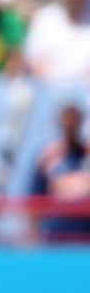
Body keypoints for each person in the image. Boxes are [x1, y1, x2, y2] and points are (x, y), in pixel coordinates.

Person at [29, 103, 90, 243]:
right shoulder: (48, 157)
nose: (70, 128)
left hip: (85, 236)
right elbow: (35, 200)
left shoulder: (86, 156)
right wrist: (33, 236)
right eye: (66, 124)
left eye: (74, 124)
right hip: (56, 236)